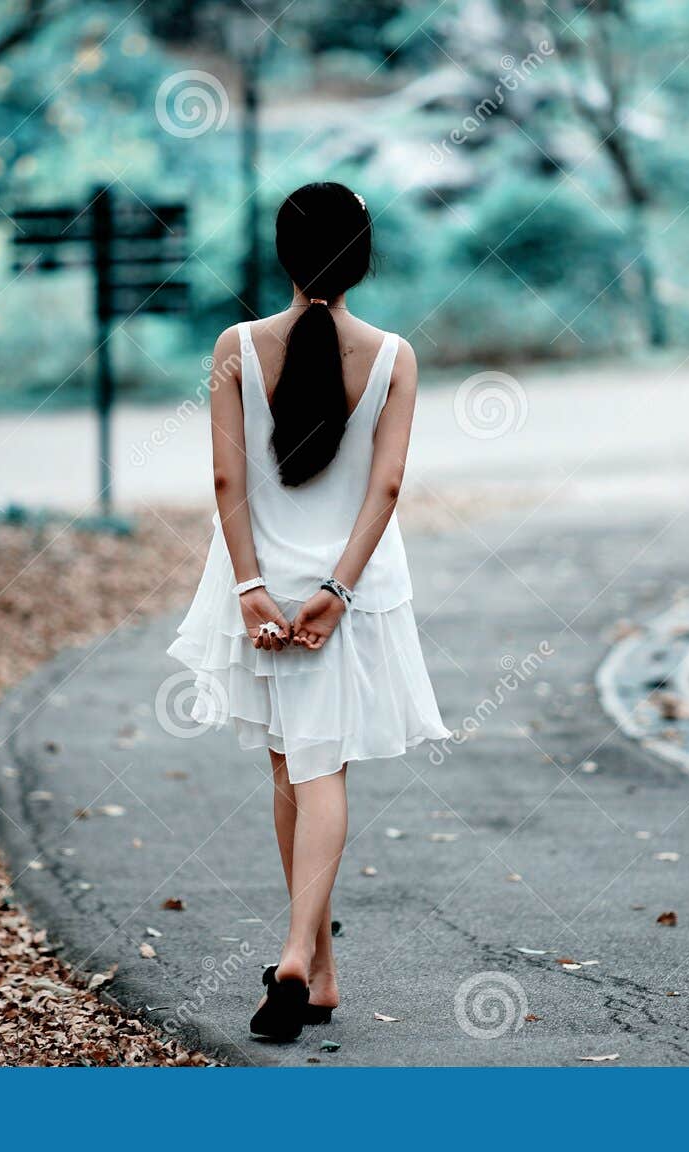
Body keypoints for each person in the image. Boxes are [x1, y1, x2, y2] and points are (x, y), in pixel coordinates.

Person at [167, 181, 449, 1041]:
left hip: (263, 582)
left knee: (295, 771)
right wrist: (339, 589)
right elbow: (388, 483)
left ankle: (300, 960)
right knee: (317, 771)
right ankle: (311, 967)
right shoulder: (394, 355)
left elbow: (226, 480)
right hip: (345, 588)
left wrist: (253, 586)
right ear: (362, 257)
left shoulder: (236, 345)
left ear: (284, 256)